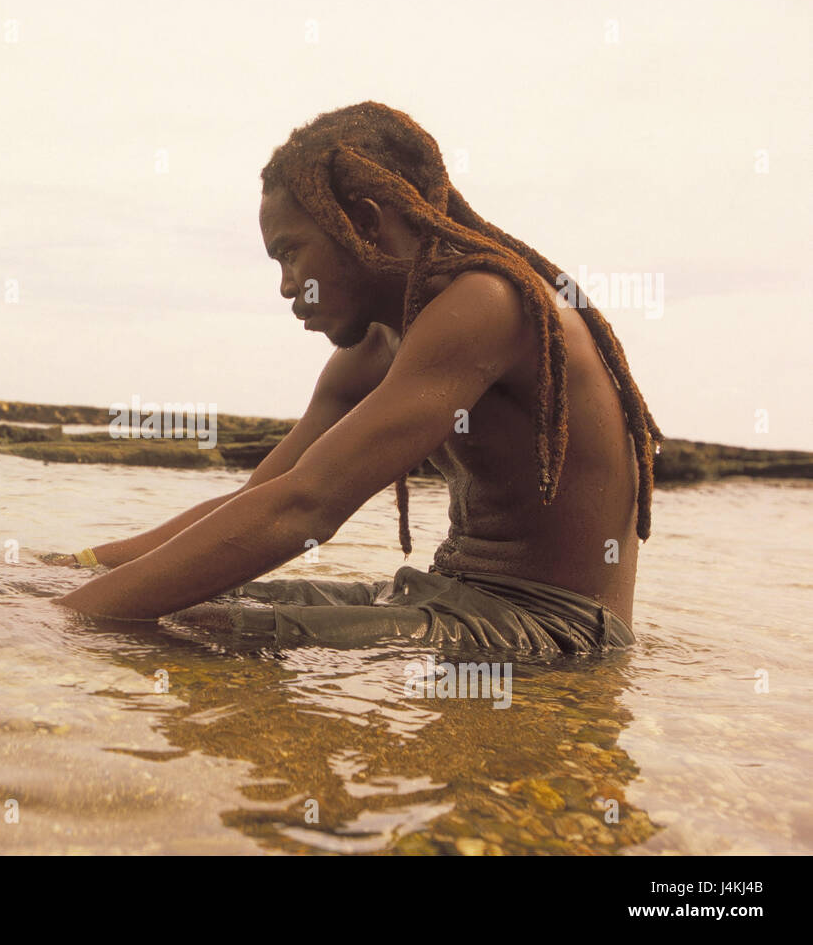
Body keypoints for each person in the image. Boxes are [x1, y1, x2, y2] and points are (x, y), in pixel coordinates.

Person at [53, 102, 662, 654]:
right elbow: (260, 498)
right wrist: (71, 569)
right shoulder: (376, 346)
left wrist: (60, 626)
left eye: (291, 252)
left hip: (558, 625)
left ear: (366, 223)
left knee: (199, 629)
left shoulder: (488, 305)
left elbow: (306, 510)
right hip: (447, 593)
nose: (287, 286)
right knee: (189, 602)